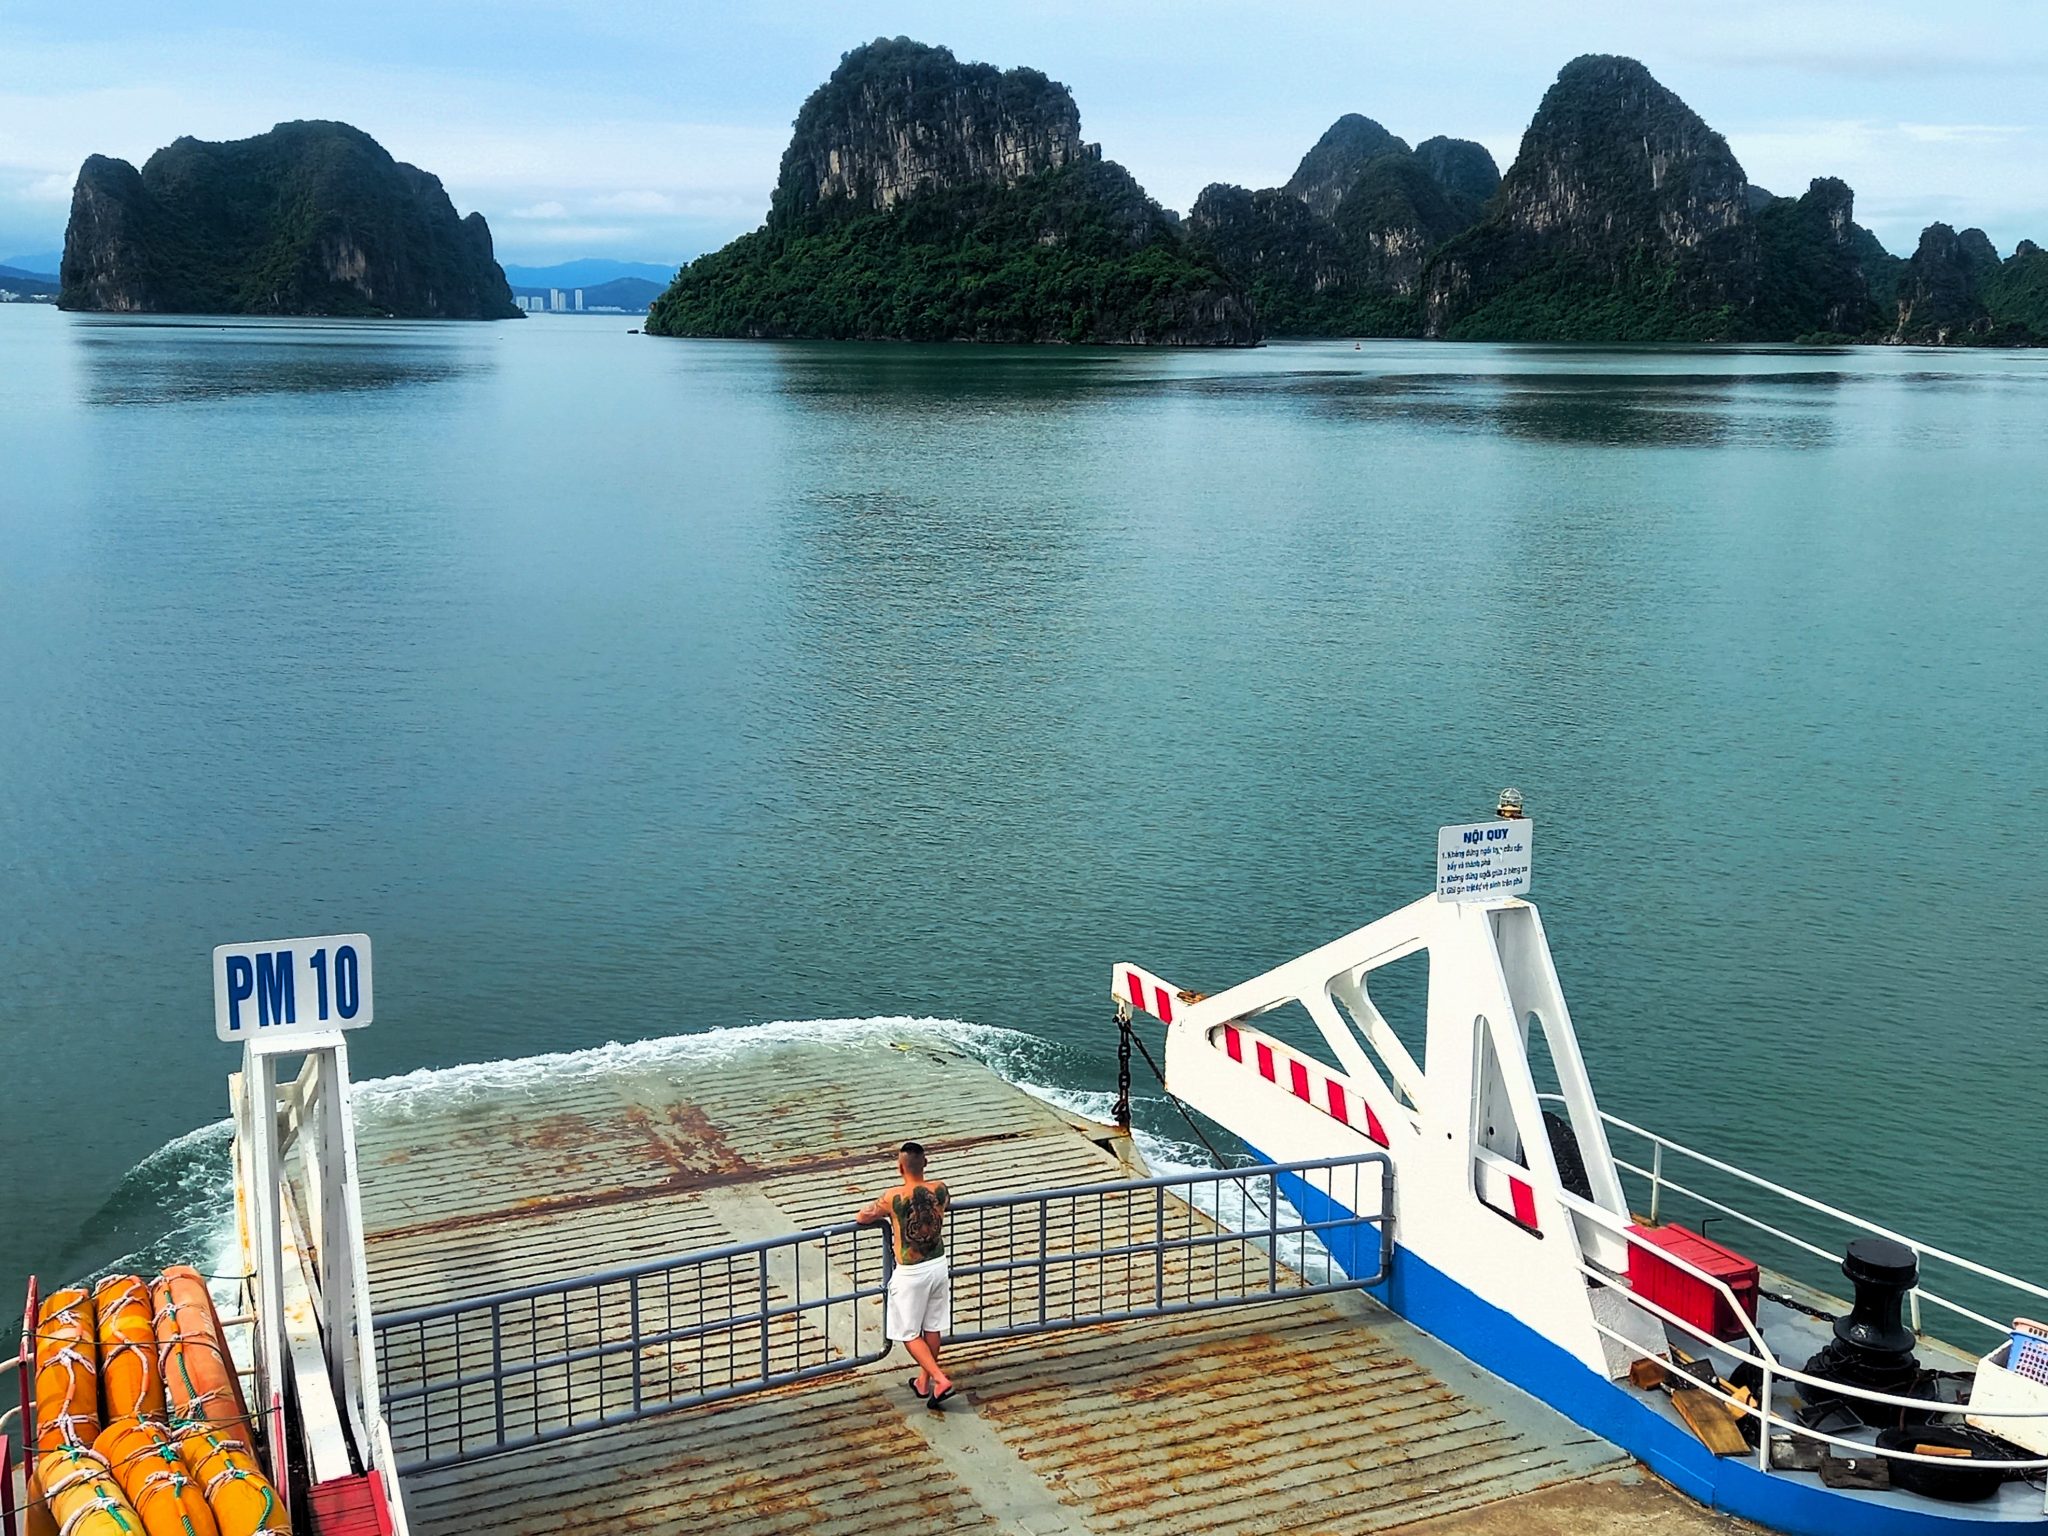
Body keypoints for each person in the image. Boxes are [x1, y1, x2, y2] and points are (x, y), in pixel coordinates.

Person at [856, 1140, 958, 1407]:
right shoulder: (940, 1189)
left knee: (909, 1333)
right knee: (933, 1326)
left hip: (910, 1272)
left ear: (899, 1167)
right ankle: (924, 1383)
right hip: (938, 1264)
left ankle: (939, 1379)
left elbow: (862, 1217)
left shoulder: (892, 1196)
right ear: (925, 1163)